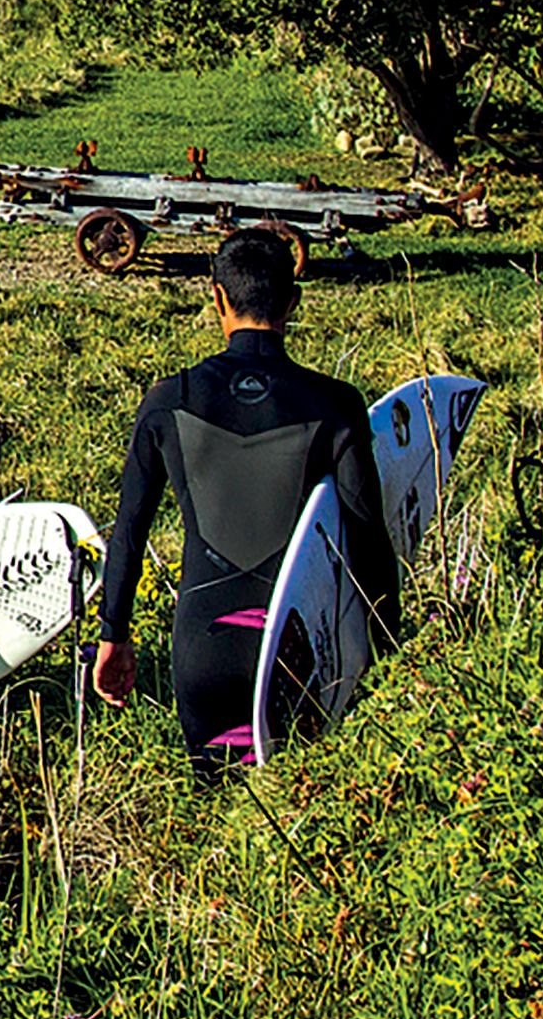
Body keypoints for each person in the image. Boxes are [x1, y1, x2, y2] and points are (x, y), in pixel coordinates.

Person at [84, 227, 396, 773]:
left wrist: (115, 633)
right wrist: (388, 650)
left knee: (213, 807)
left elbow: (129, 529)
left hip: (206, 647)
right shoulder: (336, 403)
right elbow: (367, 537)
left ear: (217, 298)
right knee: (304, 803)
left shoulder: (167, 400)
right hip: (302, 643)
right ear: (293, 303)